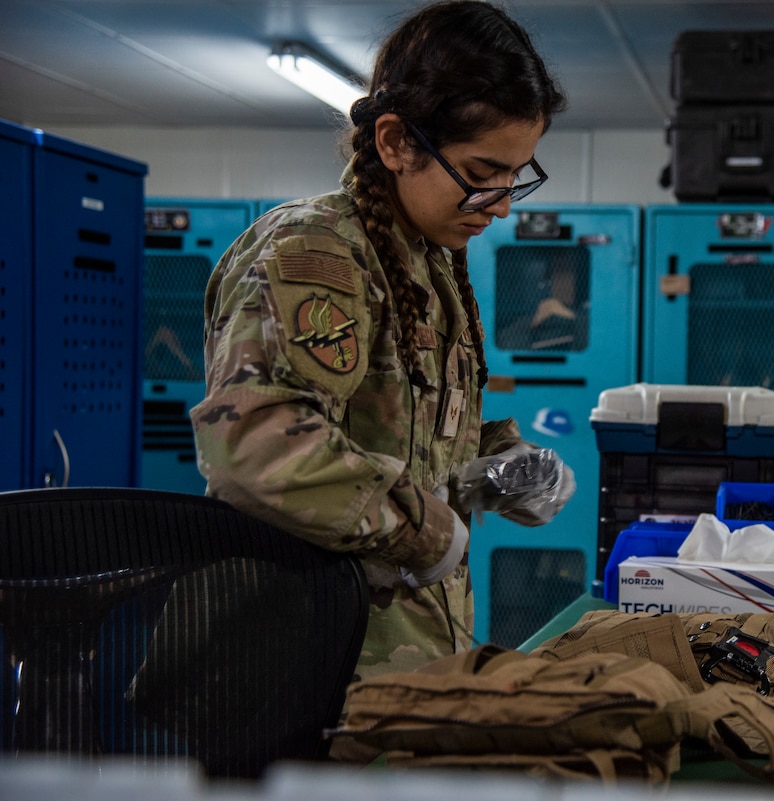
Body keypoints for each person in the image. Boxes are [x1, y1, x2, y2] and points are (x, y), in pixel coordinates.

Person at [190, 0, 573, 694]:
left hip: (407, 657)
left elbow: (408, 439)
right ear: (396, 143)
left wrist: (500, 464)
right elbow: (254, 444)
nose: (503, 203)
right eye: (483, 173)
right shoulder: (316, 252)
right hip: (302, 670)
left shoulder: (429, 261)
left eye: (516, 176)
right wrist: (421, 531)